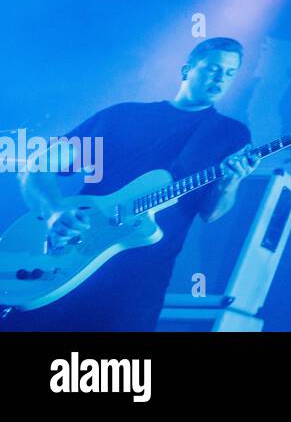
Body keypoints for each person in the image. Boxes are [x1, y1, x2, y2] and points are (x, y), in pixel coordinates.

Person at [2, 37, 259, 331]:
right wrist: (55, 211)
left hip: (138, 282)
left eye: (229, 73)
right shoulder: (123, 116)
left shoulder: (231, 135)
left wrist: (230, 184)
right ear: (187, 69)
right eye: (213, 68)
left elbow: (211, 213)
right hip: (71, 252)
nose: (220, 78)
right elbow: (38, 167)